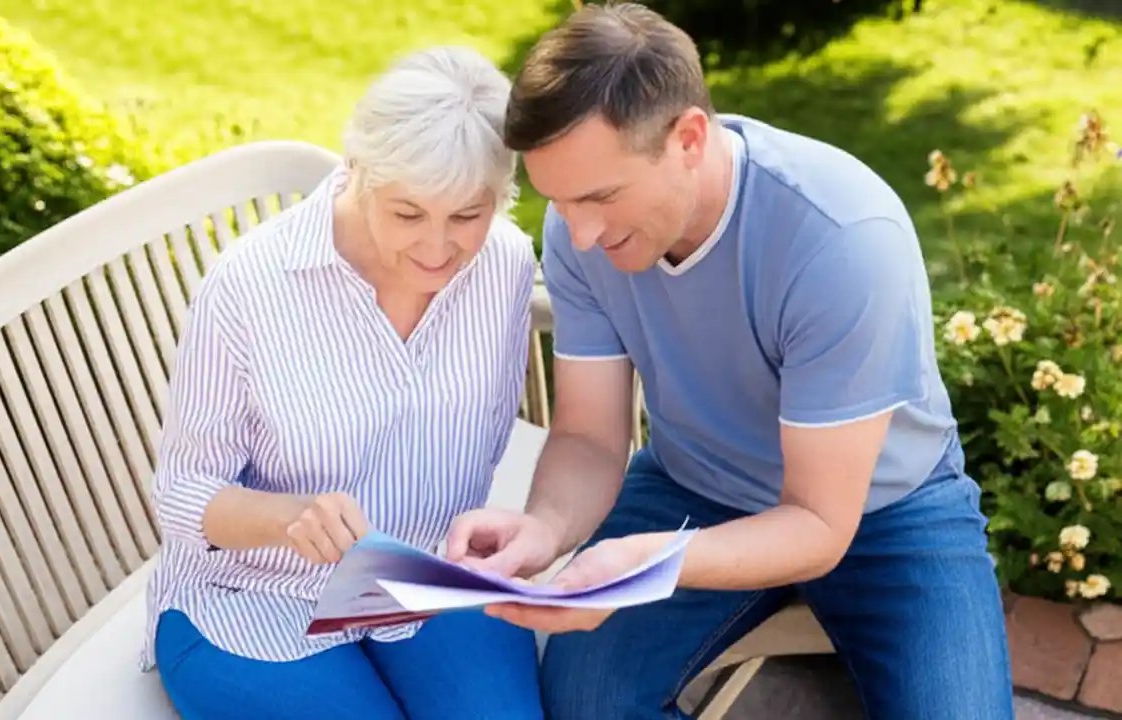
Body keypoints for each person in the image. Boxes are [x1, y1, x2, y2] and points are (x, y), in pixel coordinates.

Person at [445, 4, 1014, 719]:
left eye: (601, 197)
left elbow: (816, 522)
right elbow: (589, 437)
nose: (580, 234)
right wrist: (547, 528)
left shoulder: (842, 239)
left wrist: (644, 564)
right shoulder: (577, 227)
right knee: (582, 700)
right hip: (695, 484)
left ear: (687, 138)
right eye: (560, 201)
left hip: (882, 508)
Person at [141, 46, 543, 720]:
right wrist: (286, 517)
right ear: (358, 173)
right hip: (254, 597)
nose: (439, 248)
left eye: (468, 215)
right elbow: (182, 494)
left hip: (426, 578)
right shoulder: (249, 286)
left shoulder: (502, 264)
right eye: (409, 214)